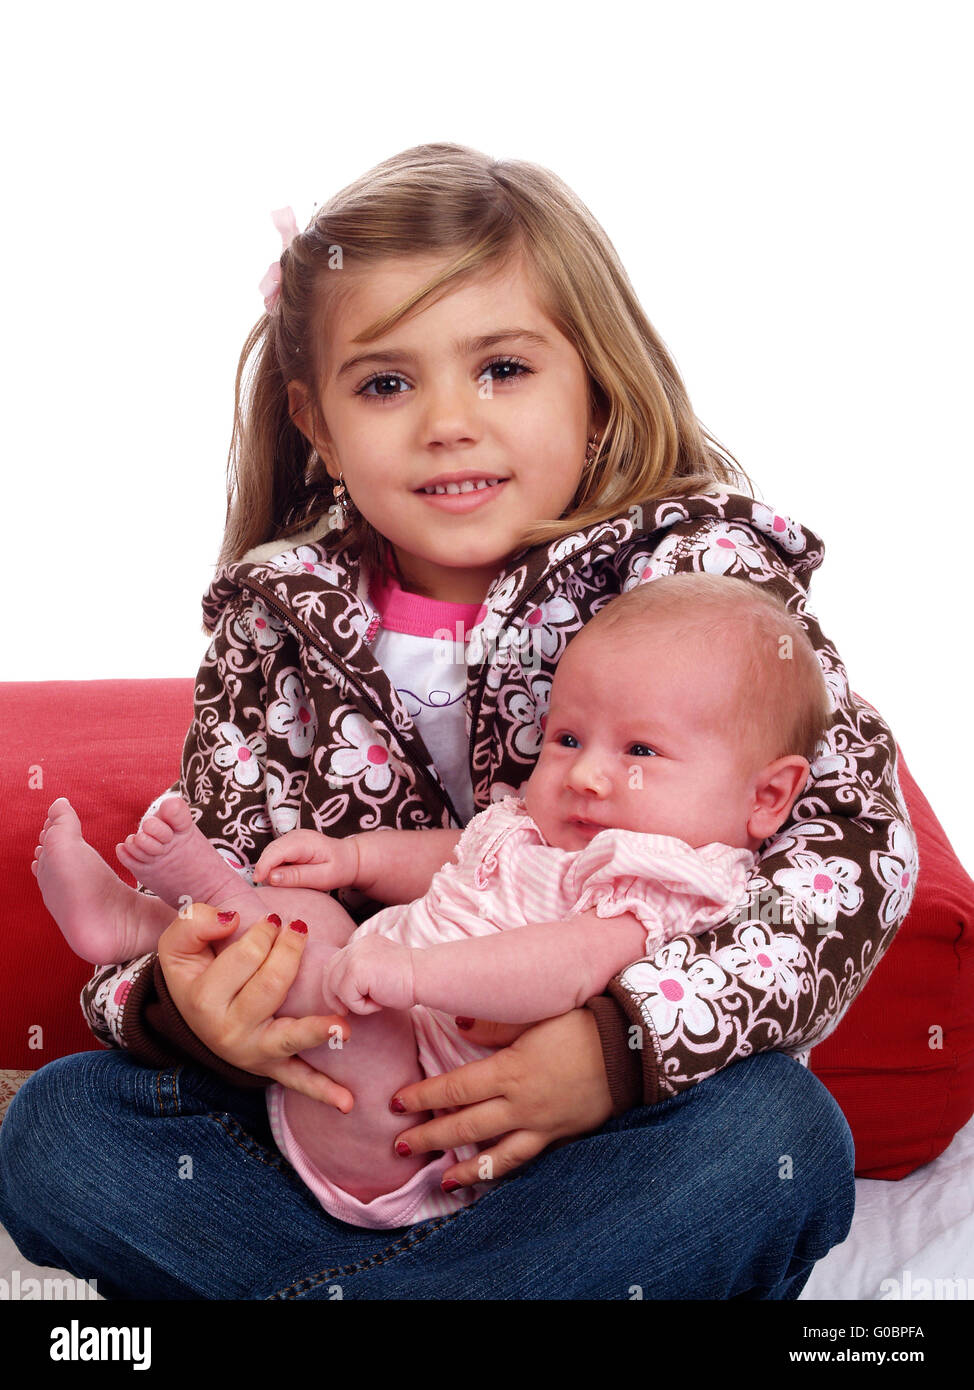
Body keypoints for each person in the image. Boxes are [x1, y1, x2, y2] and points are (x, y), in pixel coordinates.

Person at [0, 142, 916, 1299]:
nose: (447, 422)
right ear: (316, 423)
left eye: (501, 369)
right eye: (385, 383)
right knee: (61, 1128)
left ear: (594, 385)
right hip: (350, 1102)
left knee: (775, 1143)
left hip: (593, 1139)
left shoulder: (702, 583)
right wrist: (189, 1007)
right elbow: (231, 879)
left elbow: (848, 859)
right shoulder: (273, 623)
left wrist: (616, 1047)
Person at [31, 574, 830, 1229]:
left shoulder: (667, 877)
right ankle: (150, 924)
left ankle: (201, 904)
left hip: (416, 1128)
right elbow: (456, 854)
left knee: (339, 992)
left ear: (767, 796)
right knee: (298, 929)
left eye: (642, 752)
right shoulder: (537, 828)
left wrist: (417, 975)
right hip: (349, 1032)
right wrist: (354, 855)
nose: (587, 774)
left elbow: (565, 966)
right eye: (569, 739)